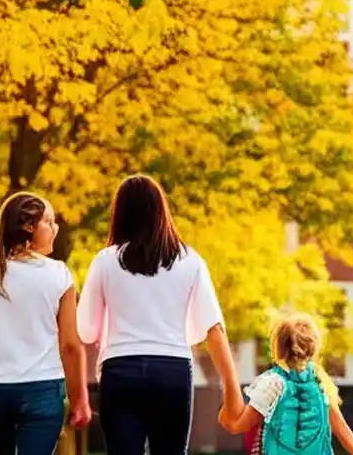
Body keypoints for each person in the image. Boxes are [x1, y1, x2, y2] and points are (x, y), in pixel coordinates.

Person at [77, 174, 243, 455]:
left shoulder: (105, 261)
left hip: (120, 372)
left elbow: (86, 331)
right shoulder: (189, 259)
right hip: (172, 371)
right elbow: (214, 330)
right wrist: (232, 389)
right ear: (161, 211)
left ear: (121, 213)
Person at [0, 192, 91, 455]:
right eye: (49, 222)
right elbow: (70, 345)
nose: (55, 229)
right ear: (28, 227)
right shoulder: (59, 275)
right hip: (42, 390)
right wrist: (80, 400)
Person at [218, 314, 353, 455]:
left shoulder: (273, 384)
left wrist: (225, 412)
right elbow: (341, 429)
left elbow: (239, 425)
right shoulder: (321, 383)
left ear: (278, 346)